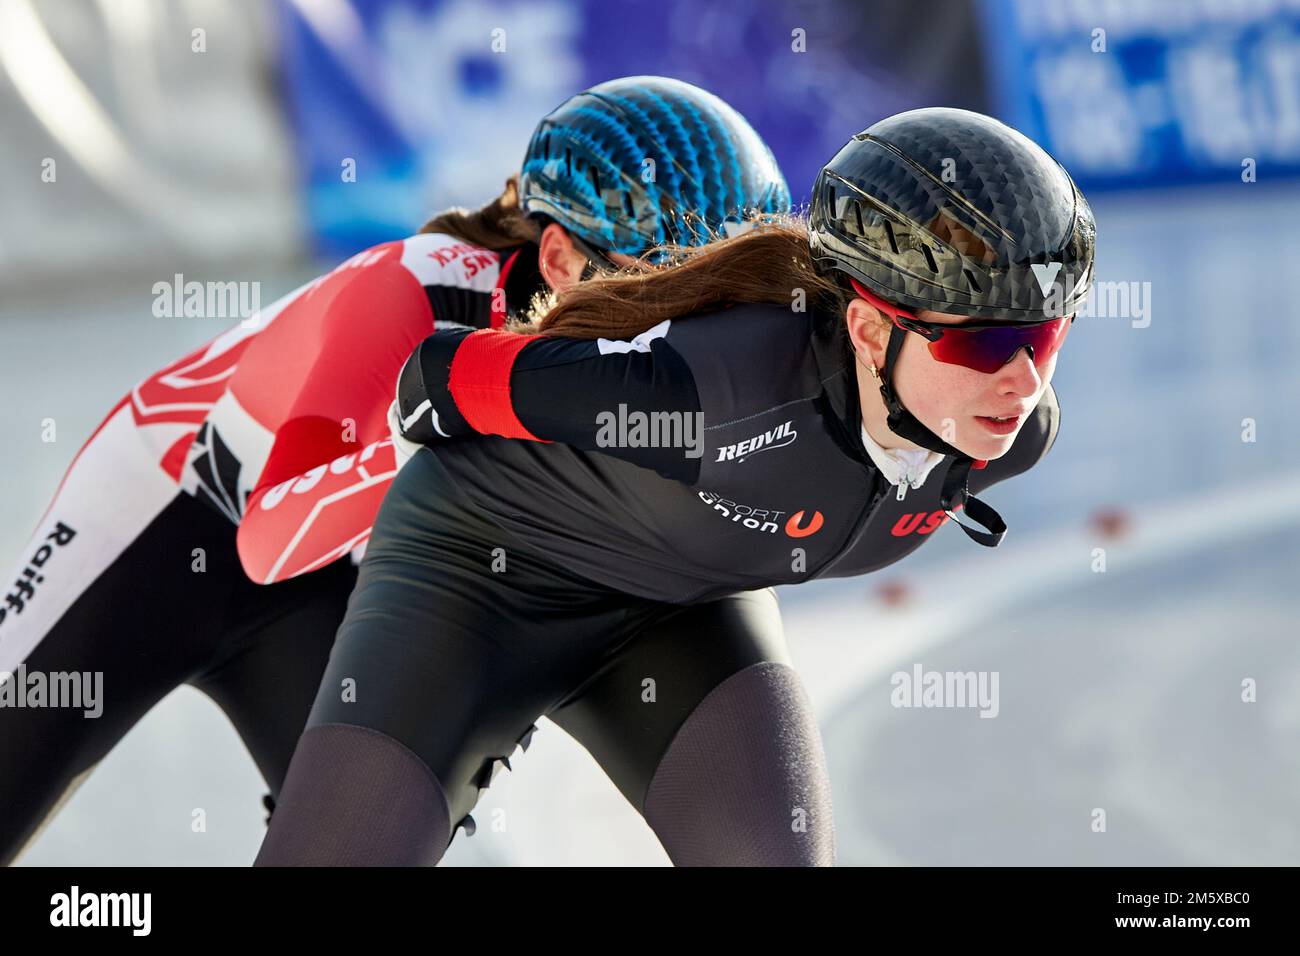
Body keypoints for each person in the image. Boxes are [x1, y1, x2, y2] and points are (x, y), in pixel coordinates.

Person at [255, 107, 1095, 867]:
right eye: (983, 347)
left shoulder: (1009, 437)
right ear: (871, 329)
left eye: (1044, 339)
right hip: (479, 577)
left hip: (681, 602)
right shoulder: (710, 393)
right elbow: (437, 377)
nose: (1022, 384)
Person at [0, 76, 789, 865]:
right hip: (171, 522)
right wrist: (445, 420)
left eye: (722, 306)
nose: (692, 342)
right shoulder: (413, 291)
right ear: (558, 258)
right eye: (669, 298)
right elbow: (269, 541)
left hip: (338, 575)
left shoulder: (654, 343)